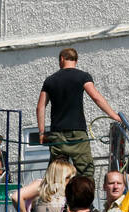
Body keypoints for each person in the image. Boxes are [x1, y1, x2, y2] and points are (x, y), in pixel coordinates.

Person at [36, 47, 120, 181]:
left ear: (62, 59)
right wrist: (114, 115)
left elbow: (40, 107)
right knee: (85, 171)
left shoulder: (50, 80)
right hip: (78, 133)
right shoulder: (83, 76)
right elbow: (96, 97)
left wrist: (41, 133)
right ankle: (85, 194)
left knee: (56, 173)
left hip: (57, 134)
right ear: (76, 60)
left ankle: (56, 194)